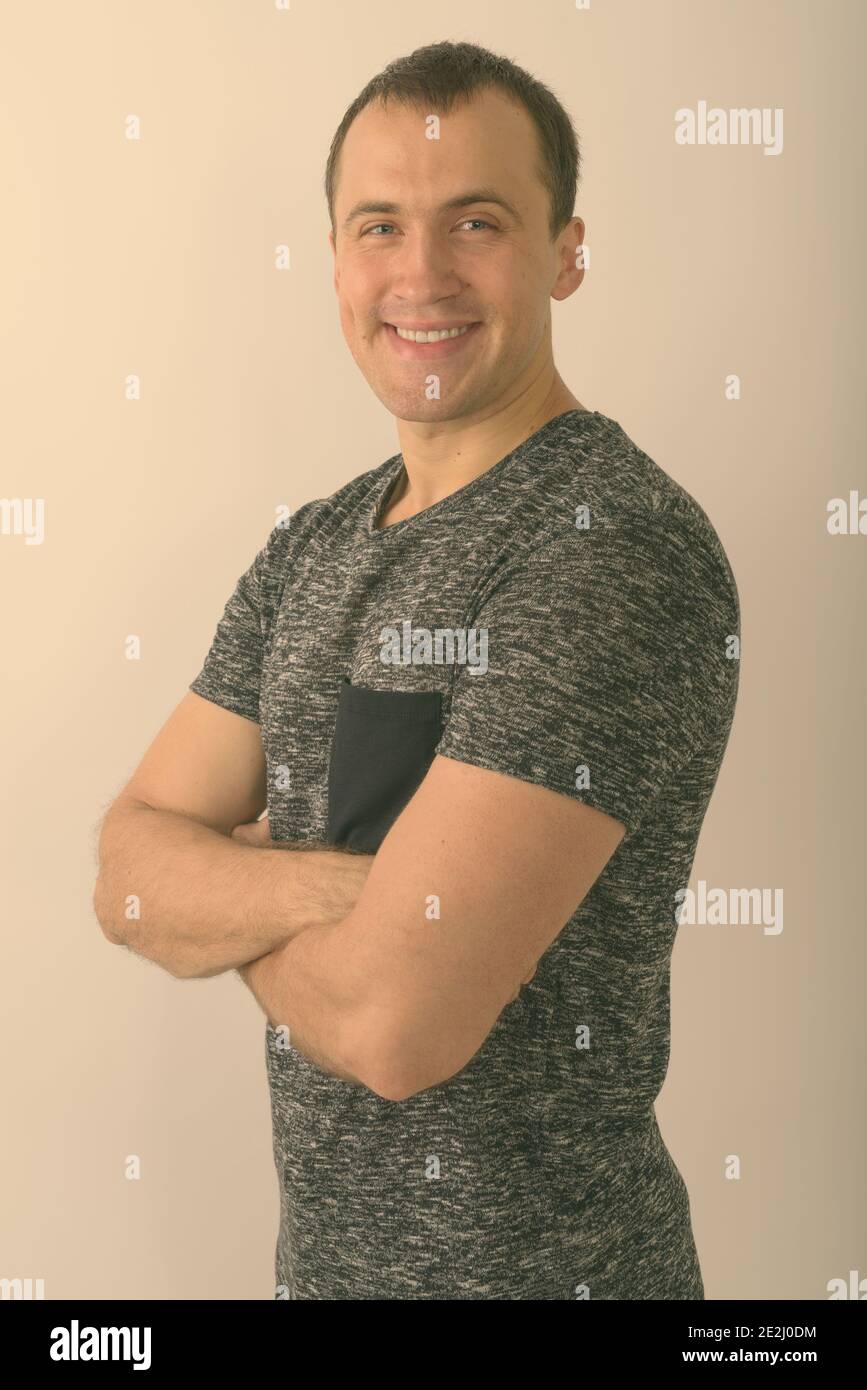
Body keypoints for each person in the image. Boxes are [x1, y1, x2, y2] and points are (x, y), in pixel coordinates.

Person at [93, 40, 740, 1300]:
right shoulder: (311, 547)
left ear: (566, 250)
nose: (421, 273)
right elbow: (126, 876)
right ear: (335, 258)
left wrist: (240, 884)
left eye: (478, 221)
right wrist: (356, 897)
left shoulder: (607, 548)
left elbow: (397, 1029)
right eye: (378, 224)